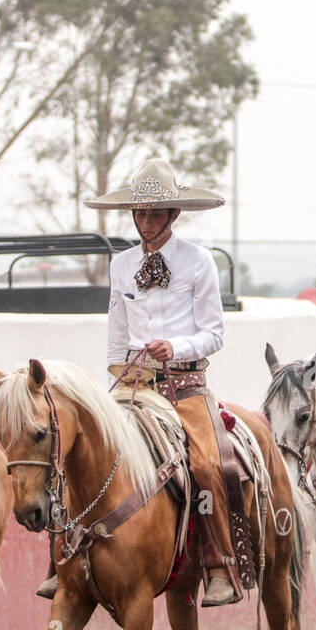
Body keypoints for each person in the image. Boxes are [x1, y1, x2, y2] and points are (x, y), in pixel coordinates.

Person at [83, 157, 247, 607]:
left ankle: (218, 564)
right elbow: (117, 332)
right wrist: (116, 379)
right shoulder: (121, 265)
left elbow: (215, 334)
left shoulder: (199, 262)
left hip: (186, 387)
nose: (147, 221)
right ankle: (67, 563)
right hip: (134, 388)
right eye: (140, 213)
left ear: (174, 215)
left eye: (156, 213)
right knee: (79, 449)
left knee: (209, 465)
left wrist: (174, 347)